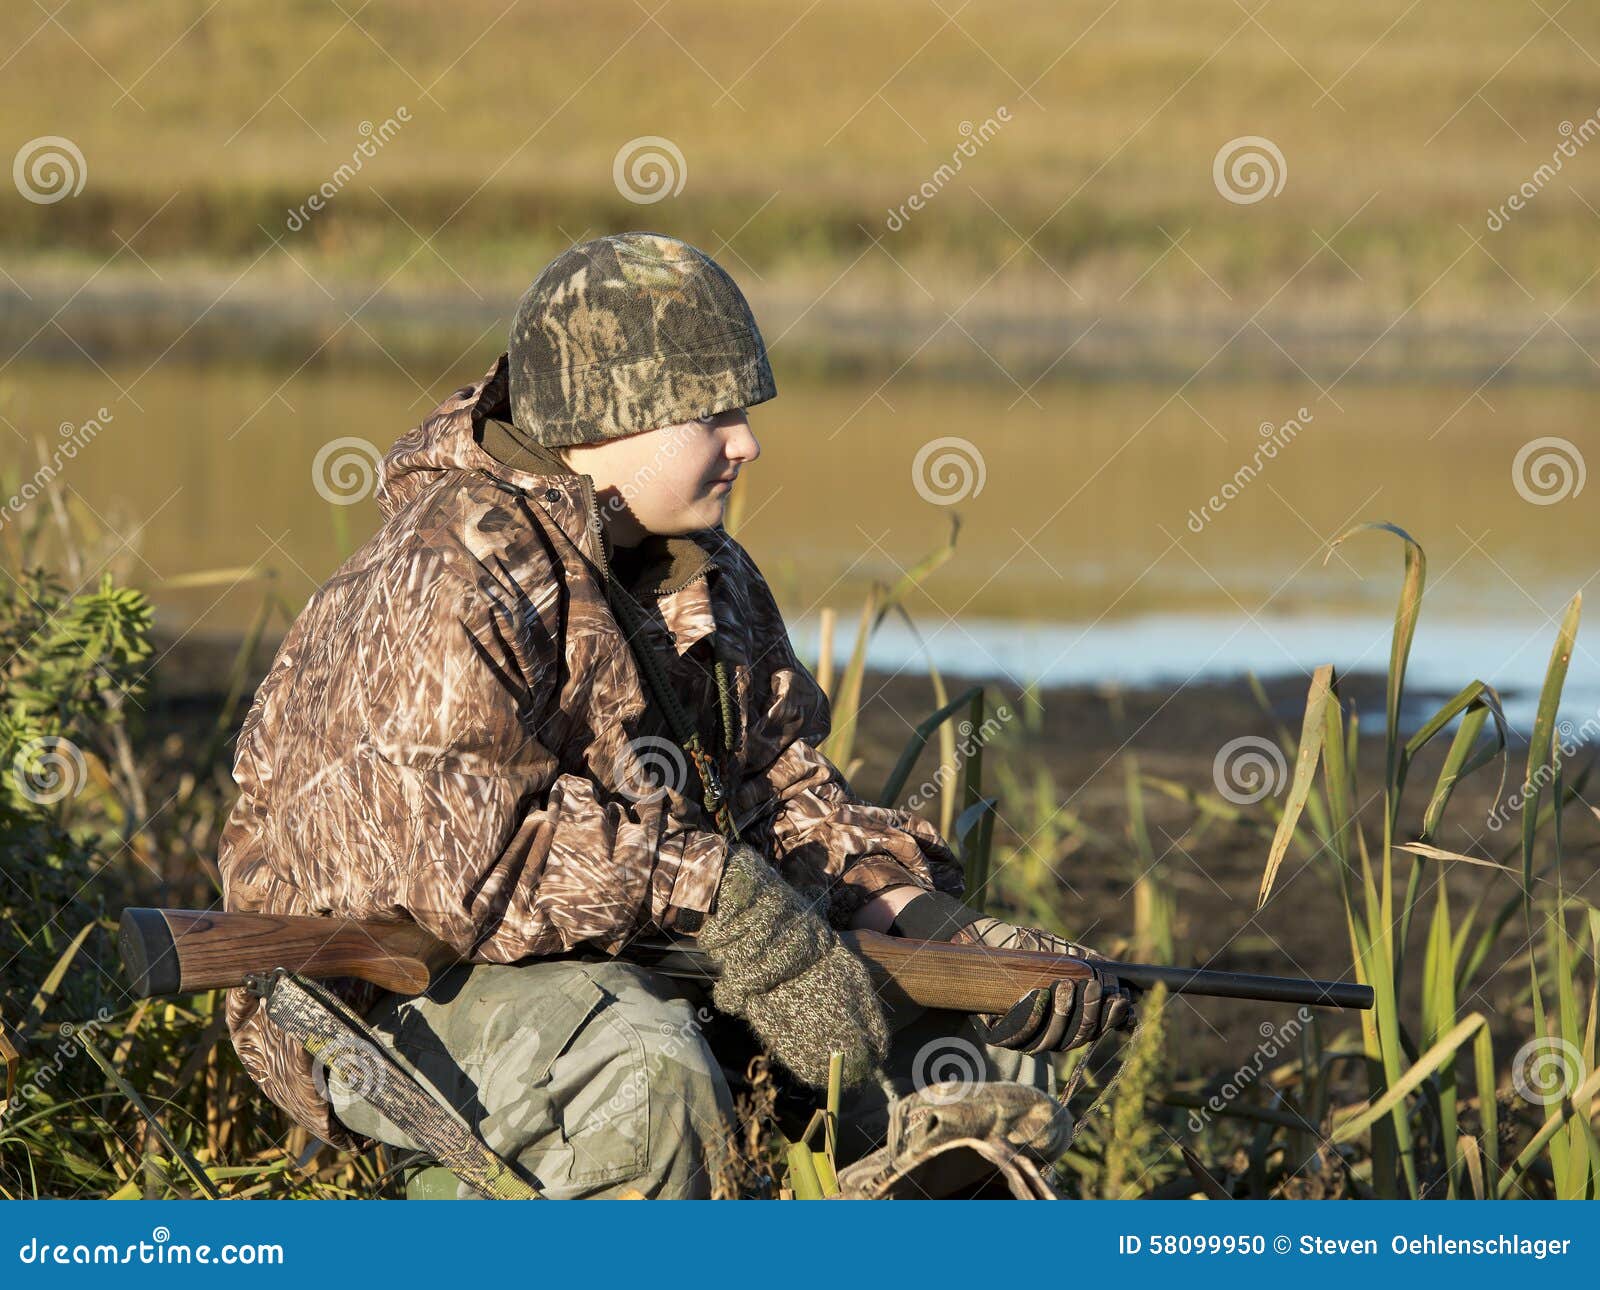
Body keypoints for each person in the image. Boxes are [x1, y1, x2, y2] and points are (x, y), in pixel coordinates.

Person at [217, 231, 1135, 1198]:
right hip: (397, 992)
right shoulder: (447, 572)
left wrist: (943, 934)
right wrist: (721, 895)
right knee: (645, 1075)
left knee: (984, 1065)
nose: (748, 441)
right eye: (713, 413)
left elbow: (785, 799)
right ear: (609, 417)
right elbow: (465, 862)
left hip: (641, 954)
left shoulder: (708, 571)